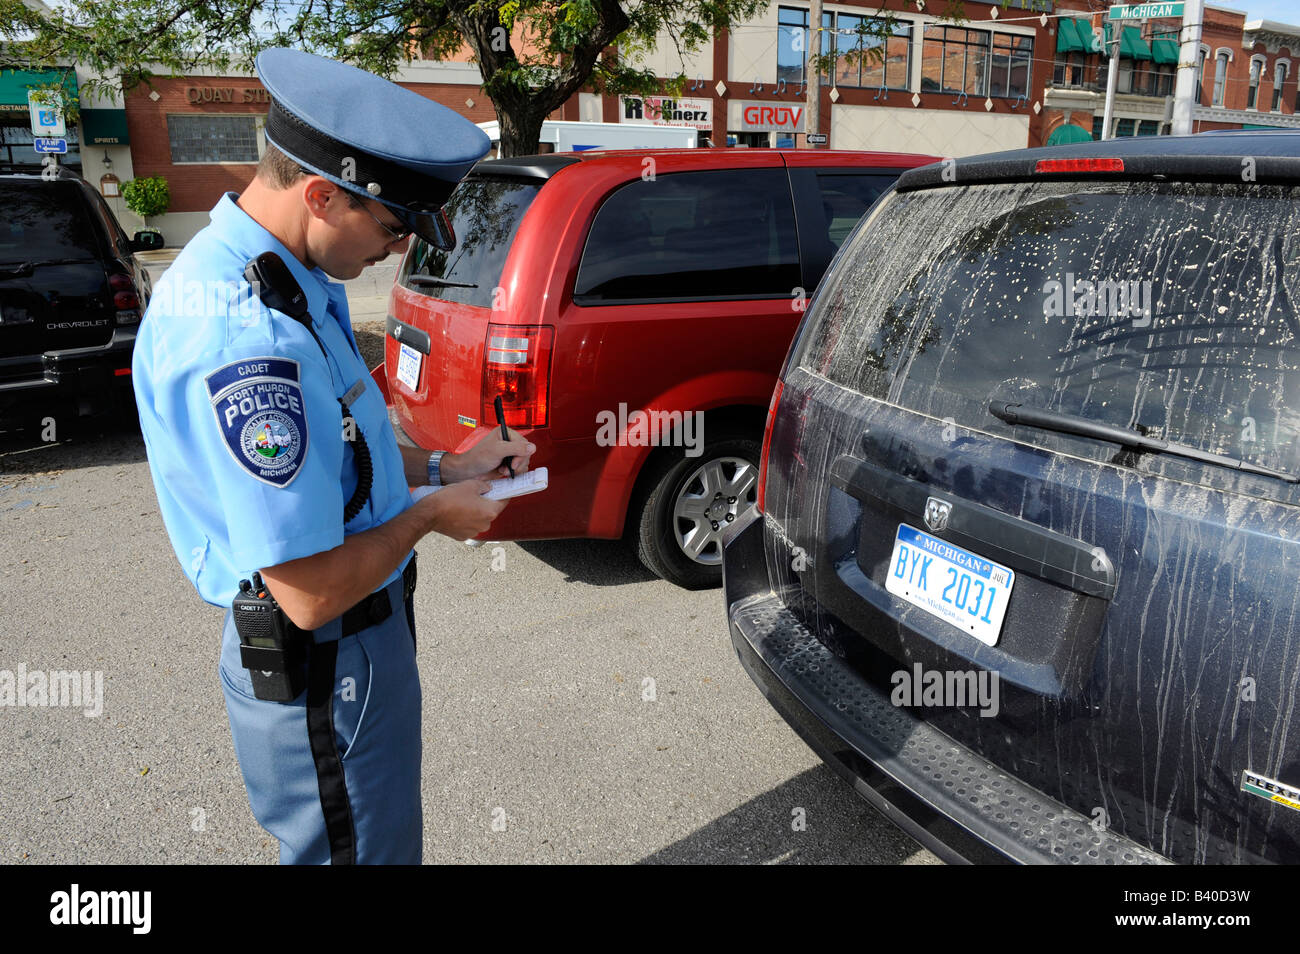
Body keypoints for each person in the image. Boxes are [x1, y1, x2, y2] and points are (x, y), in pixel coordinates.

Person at [132, 47, 533, 864]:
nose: (394, 252)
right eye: (391, 227)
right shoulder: (249, 338)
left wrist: (443, 470)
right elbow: (308, 592)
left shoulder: (291, 273)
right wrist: (431, 516)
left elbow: (342, 460)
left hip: (359, 642)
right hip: (326, 657)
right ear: (320, 194)